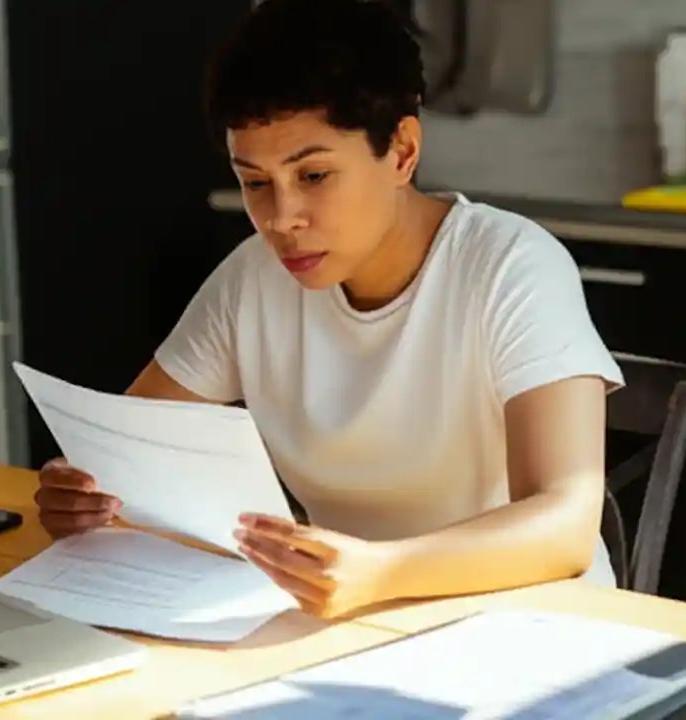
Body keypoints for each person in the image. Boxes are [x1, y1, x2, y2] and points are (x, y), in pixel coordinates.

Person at [33, 0, 624, 619]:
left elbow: (565, 523)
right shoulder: (253, 281)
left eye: (313, 176)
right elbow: (128, 446)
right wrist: (85, 490)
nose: (281, 219)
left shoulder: (511, 265)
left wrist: (385, 569)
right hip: (354, 625)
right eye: (256, 183)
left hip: (537, 627)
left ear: (401, 150)